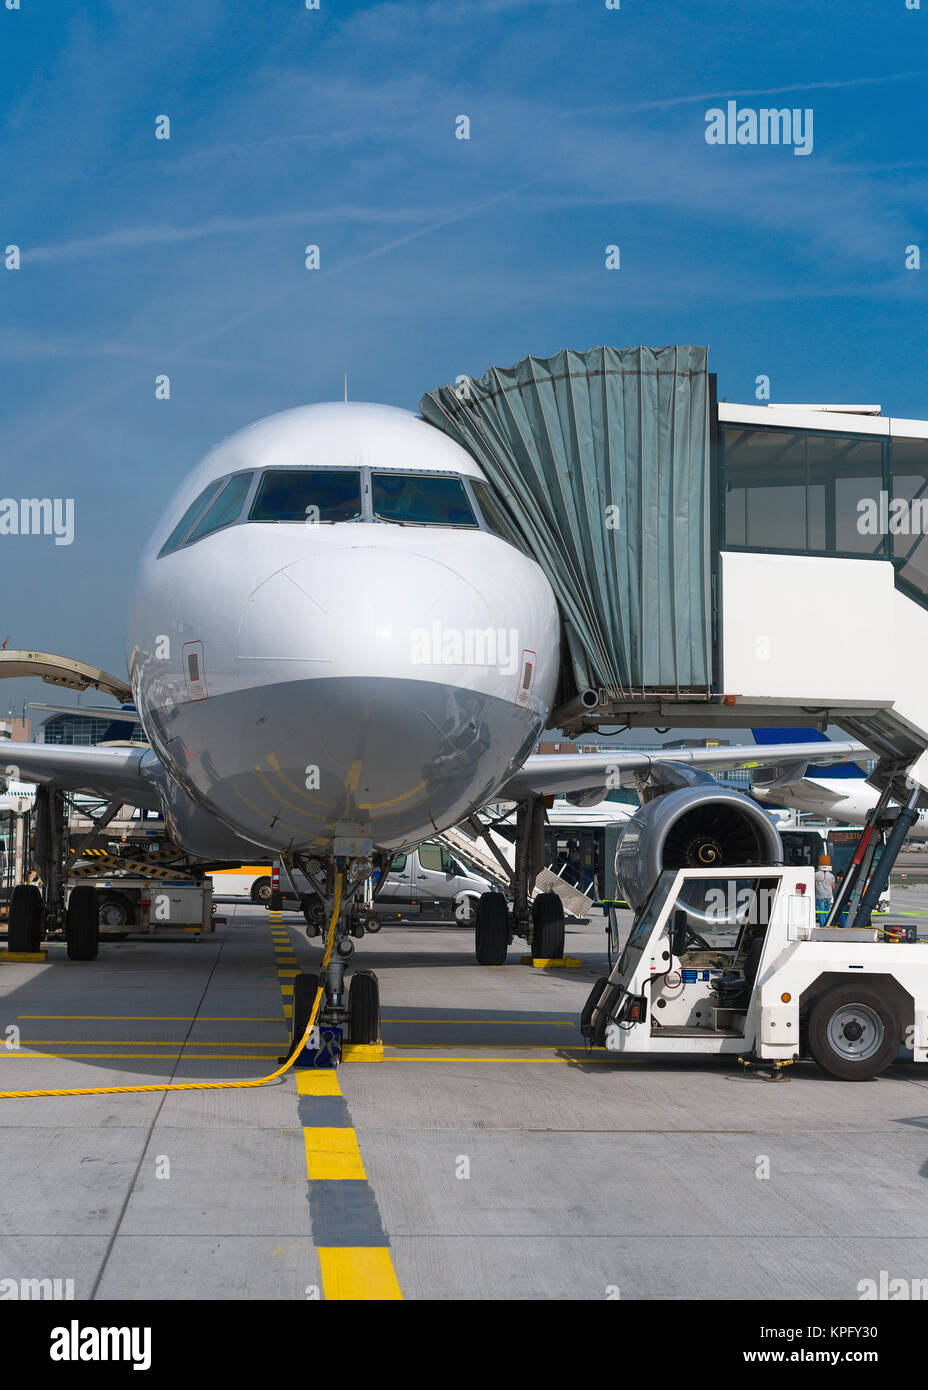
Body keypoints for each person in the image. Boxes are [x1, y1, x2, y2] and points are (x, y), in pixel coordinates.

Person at [814, 854, 835, 922]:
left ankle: (822, 926)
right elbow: (833, 886)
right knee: (826, 912)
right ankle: (826, 925)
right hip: (828, 896)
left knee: (821, 912)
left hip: (819, 896)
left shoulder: (815, 875)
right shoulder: (832, 876)